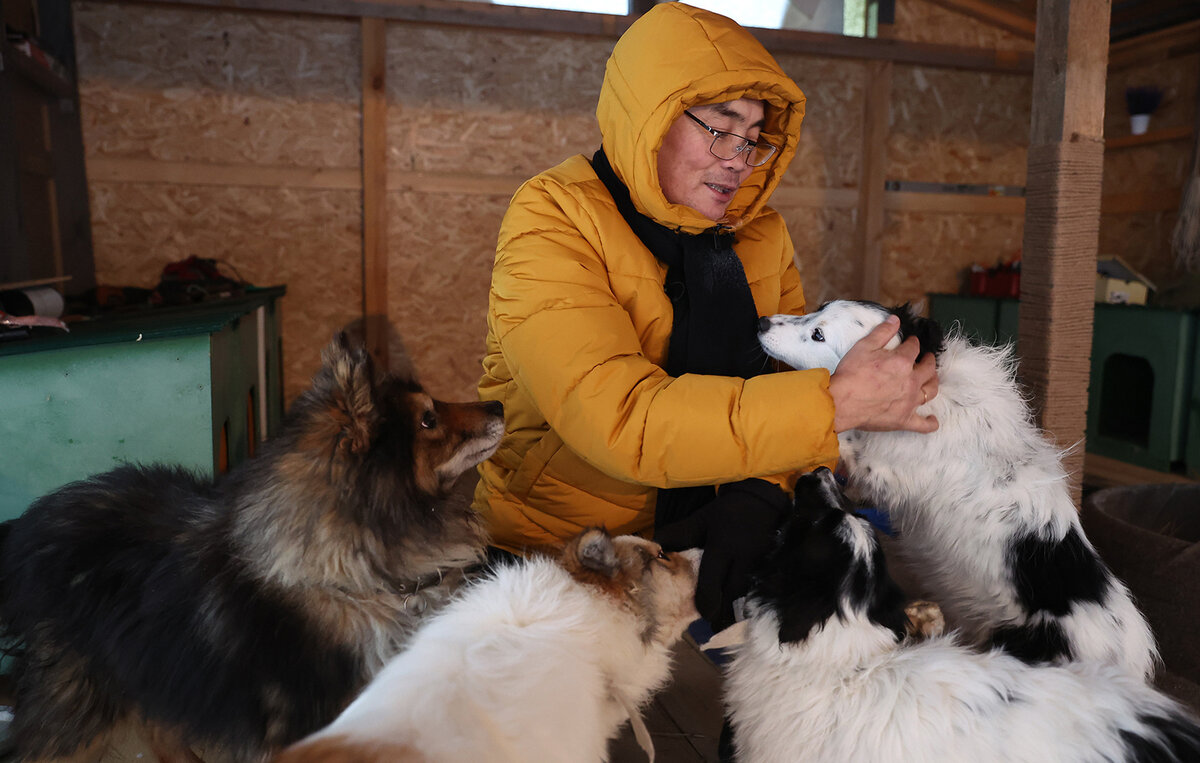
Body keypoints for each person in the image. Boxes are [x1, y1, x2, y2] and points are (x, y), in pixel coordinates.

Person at [472, 2, 937, 632]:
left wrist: (761, 493)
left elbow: (783, 385)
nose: (739, 158)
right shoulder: (554, 217)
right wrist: (835, 406)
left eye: (754, 138)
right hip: (565, 554)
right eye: (720, 128)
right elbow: (620, 418)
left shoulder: (761, 235)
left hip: (696, 552)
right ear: (650, 118)